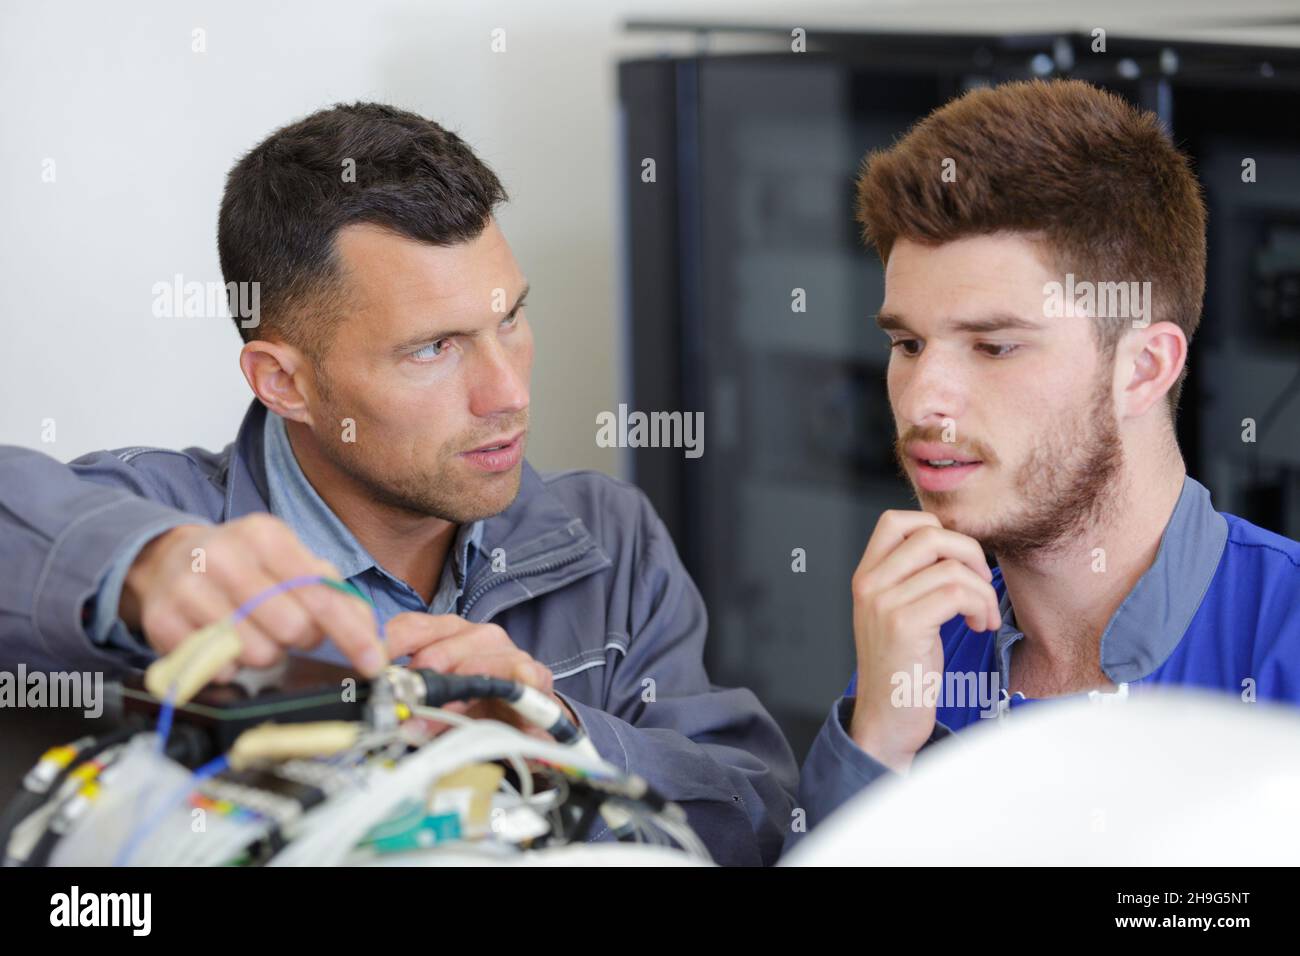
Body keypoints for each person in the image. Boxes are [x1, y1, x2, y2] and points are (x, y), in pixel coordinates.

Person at [0, 103, 797, 865]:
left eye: (510, 319)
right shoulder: (171, 523)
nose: (508, 393)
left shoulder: (607, 537)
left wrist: (551, 732)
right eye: (434, 349)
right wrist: (140, 565)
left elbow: (755, 825)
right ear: (284, 381)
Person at [792, 79, 1300, 841]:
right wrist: (876, 749)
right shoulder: (921, 643)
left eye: (995, 346)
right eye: (908, 344)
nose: (925, 398)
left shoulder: (1283, 640)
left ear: (1143, 368)